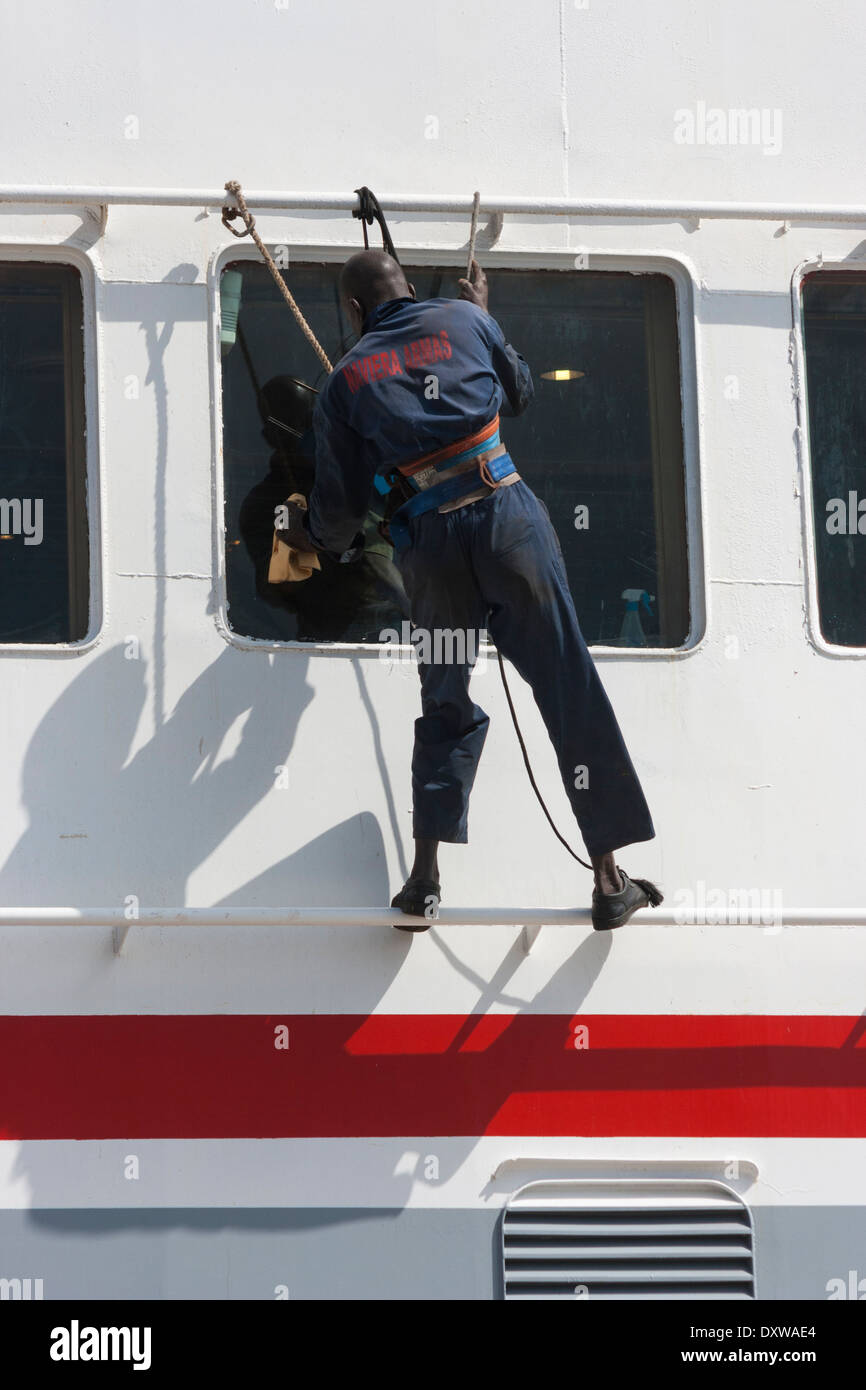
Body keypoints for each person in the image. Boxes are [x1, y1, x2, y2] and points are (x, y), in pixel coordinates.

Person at [278, 249, 662, 931]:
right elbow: (521, 393)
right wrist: (485, 314)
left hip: (430, 550)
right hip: (508, 523)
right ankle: (608, 880)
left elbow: (337, 525)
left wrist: (301, 531)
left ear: (355, 312)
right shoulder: (464, 318)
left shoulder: (344, 382)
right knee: (567, 685)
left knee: (445, 701)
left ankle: (424, 881)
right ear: (408, 287)